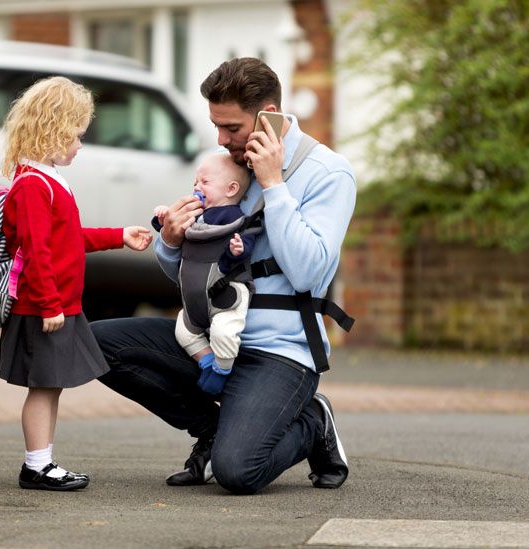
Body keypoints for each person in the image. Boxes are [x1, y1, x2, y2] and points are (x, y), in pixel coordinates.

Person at [93, 58, 356, 494]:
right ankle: (214, 430)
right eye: (216, 126)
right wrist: (173, 243)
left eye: (231, 128)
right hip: (208, 336)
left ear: (267, 113)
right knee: (96, 345)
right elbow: (192, 273)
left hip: (280, 351)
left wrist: (274, 186)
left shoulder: (328, 173)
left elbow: (309, 273)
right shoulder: (225, 166)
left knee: (238, 472)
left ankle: (313, 422)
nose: (221, 139)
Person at [0, 76, 152, 491]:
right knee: (44, 387)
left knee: (51, 386)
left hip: (57, 303)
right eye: (76, 136)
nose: (81, 145)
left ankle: (42, 461)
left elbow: (68, 238)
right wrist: (49, 305)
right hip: (43, 307)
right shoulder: (32, 185)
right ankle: (37, 465)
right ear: (53, 130)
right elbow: (35, 249)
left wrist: (119, 235)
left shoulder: (47, 179)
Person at [151, 153, 255, 395]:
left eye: (205, 182)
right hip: (195, 303)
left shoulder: (232, 216)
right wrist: (164, 217)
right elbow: (170, 228)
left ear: (231, 189)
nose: (197, 187)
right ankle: (207, 361)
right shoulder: (199, 213)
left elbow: (245, 242)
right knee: (183, 332)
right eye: (195, 182)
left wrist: (238, 249)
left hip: (225, 297)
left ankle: (222, 370)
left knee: (224, 333)